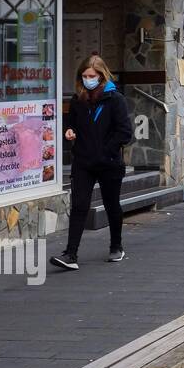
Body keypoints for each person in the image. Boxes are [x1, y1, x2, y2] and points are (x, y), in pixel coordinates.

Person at [51, 55, 133, 271]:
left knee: (111, 204)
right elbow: (72, 123)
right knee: (79, 206)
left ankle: (116, 246)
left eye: (91, 76)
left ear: (101, 76)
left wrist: (106, 150)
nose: (87, 79)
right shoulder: (79, 100)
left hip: (109, 163)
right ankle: (71, 254)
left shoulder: (115, 100)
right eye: (84, 76)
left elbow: (124, 132)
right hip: (84, 162)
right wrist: (70, 131)